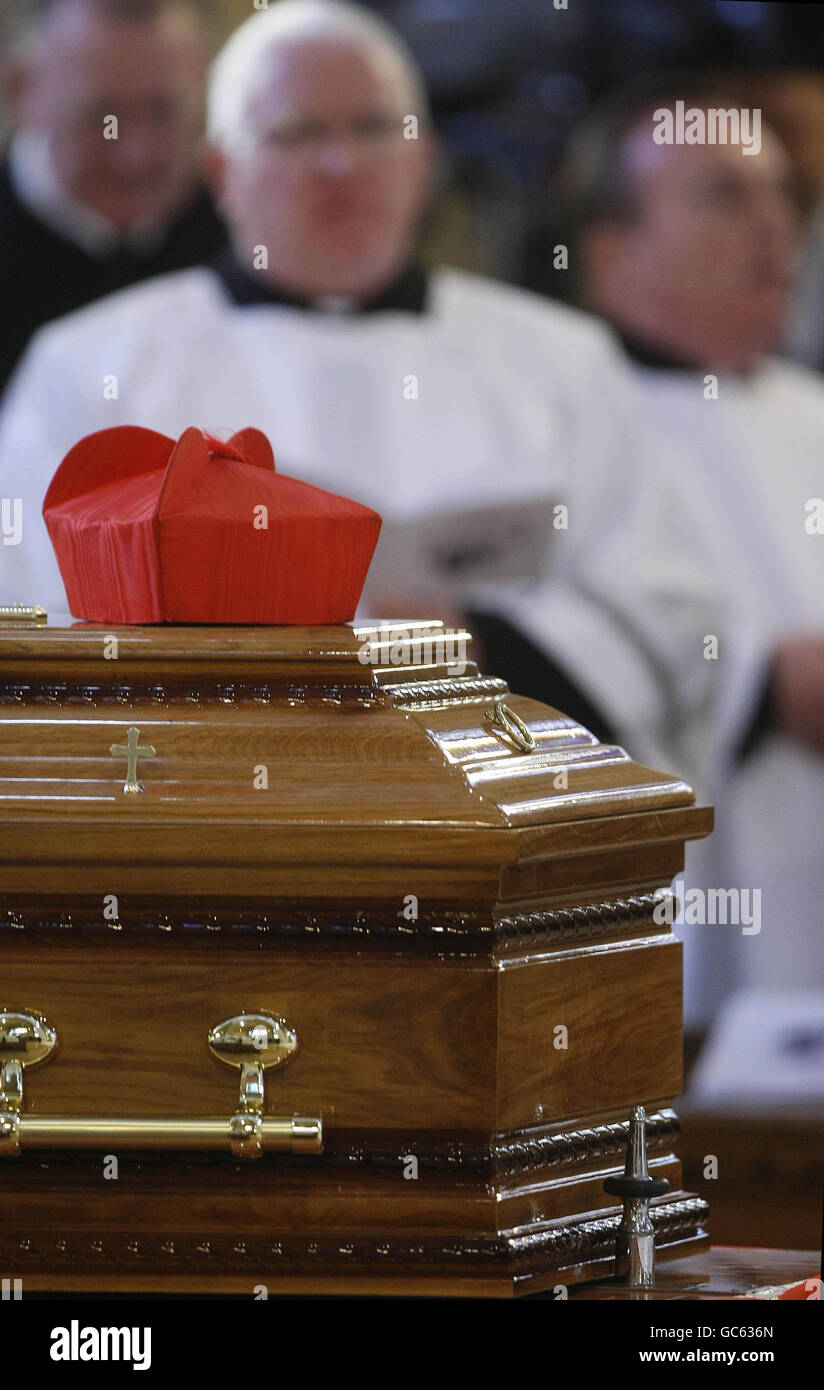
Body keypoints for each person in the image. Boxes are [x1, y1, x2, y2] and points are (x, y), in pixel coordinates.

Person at [0, 4, 724, 832]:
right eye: (298, 132)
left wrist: (473, 642)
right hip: (218, 834)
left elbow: (669, 614)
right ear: (223, 169)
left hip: (504, 837)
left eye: (376, 128)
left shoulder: (564, 360)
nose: (340, 163)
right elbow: (32, 626)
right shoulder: (92, 365)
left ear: (425, 156)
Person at [558, 80, 824, 1022]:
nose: (777, 225)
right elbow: (546, 657)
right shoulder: (556, 424)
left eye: (785, 195)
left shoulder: (812, 413)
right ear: (611, 248)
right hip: (676, 929)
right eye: (726, 195)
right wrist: (760, 685)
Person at [0, 0, 226, 392]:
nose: (134, 156)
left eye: (164, 111)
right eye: (98, 116)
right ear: (21, 90)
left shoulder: (246, 233)